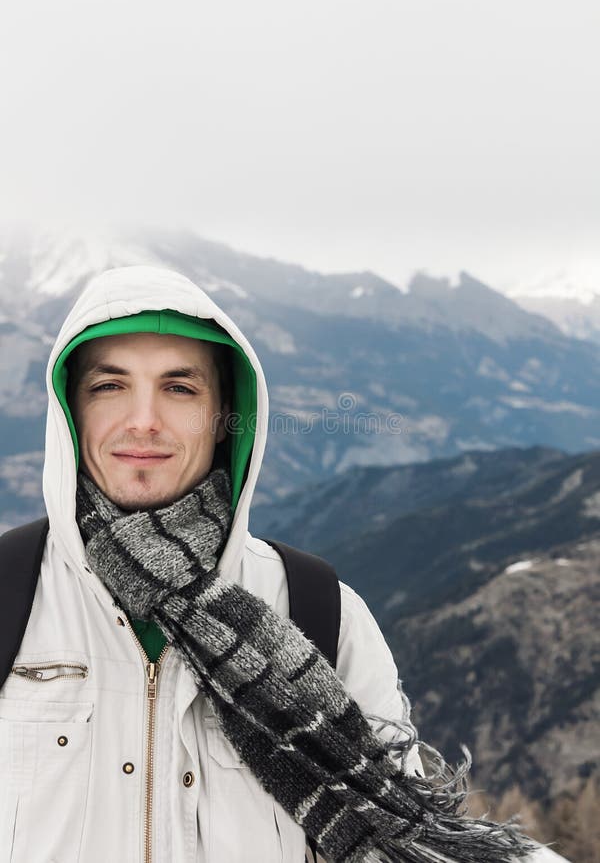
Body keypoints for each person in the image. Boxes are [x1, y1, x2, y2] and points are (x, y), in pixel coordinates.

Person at [0, 265, 565, 863]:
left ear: (224, 418)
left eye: (180, 388)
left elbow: (403, 849)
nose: (144, 419)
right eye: (109, 386)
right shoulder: (8, 595)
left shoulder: (320, 610)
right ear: (70, 411)